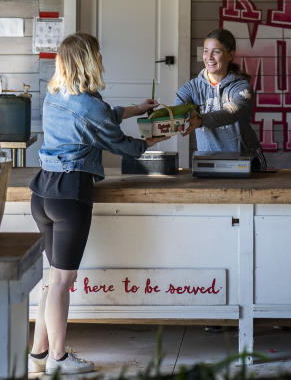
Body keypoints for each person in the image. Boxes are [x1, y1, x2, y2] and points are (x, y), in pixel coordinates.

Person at [27, 32, 177, 375]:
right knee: (62, 282)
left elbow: (103, 115)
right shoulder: (90, 105)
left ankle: (38, 354)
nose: (102, 59)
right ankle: (59, 359)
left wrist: (137, 109)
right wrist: (154, 138)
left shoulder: (54, 94)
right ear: (87, 60)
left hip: (44, 192)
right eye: (97, 54)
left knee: (53, 281)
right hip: (70, 193)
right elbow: (120, 143)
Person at [176, 28, 266, 171]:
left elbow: (233, 111)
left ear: (230, 55)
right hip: (208, 161)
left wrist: (200, 120)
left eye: (216, 51)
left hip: (245, 161)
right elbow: (178, 110)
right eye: (206, 51)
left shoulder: (242, 87)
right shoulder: (190, 88)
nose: (209, 57)